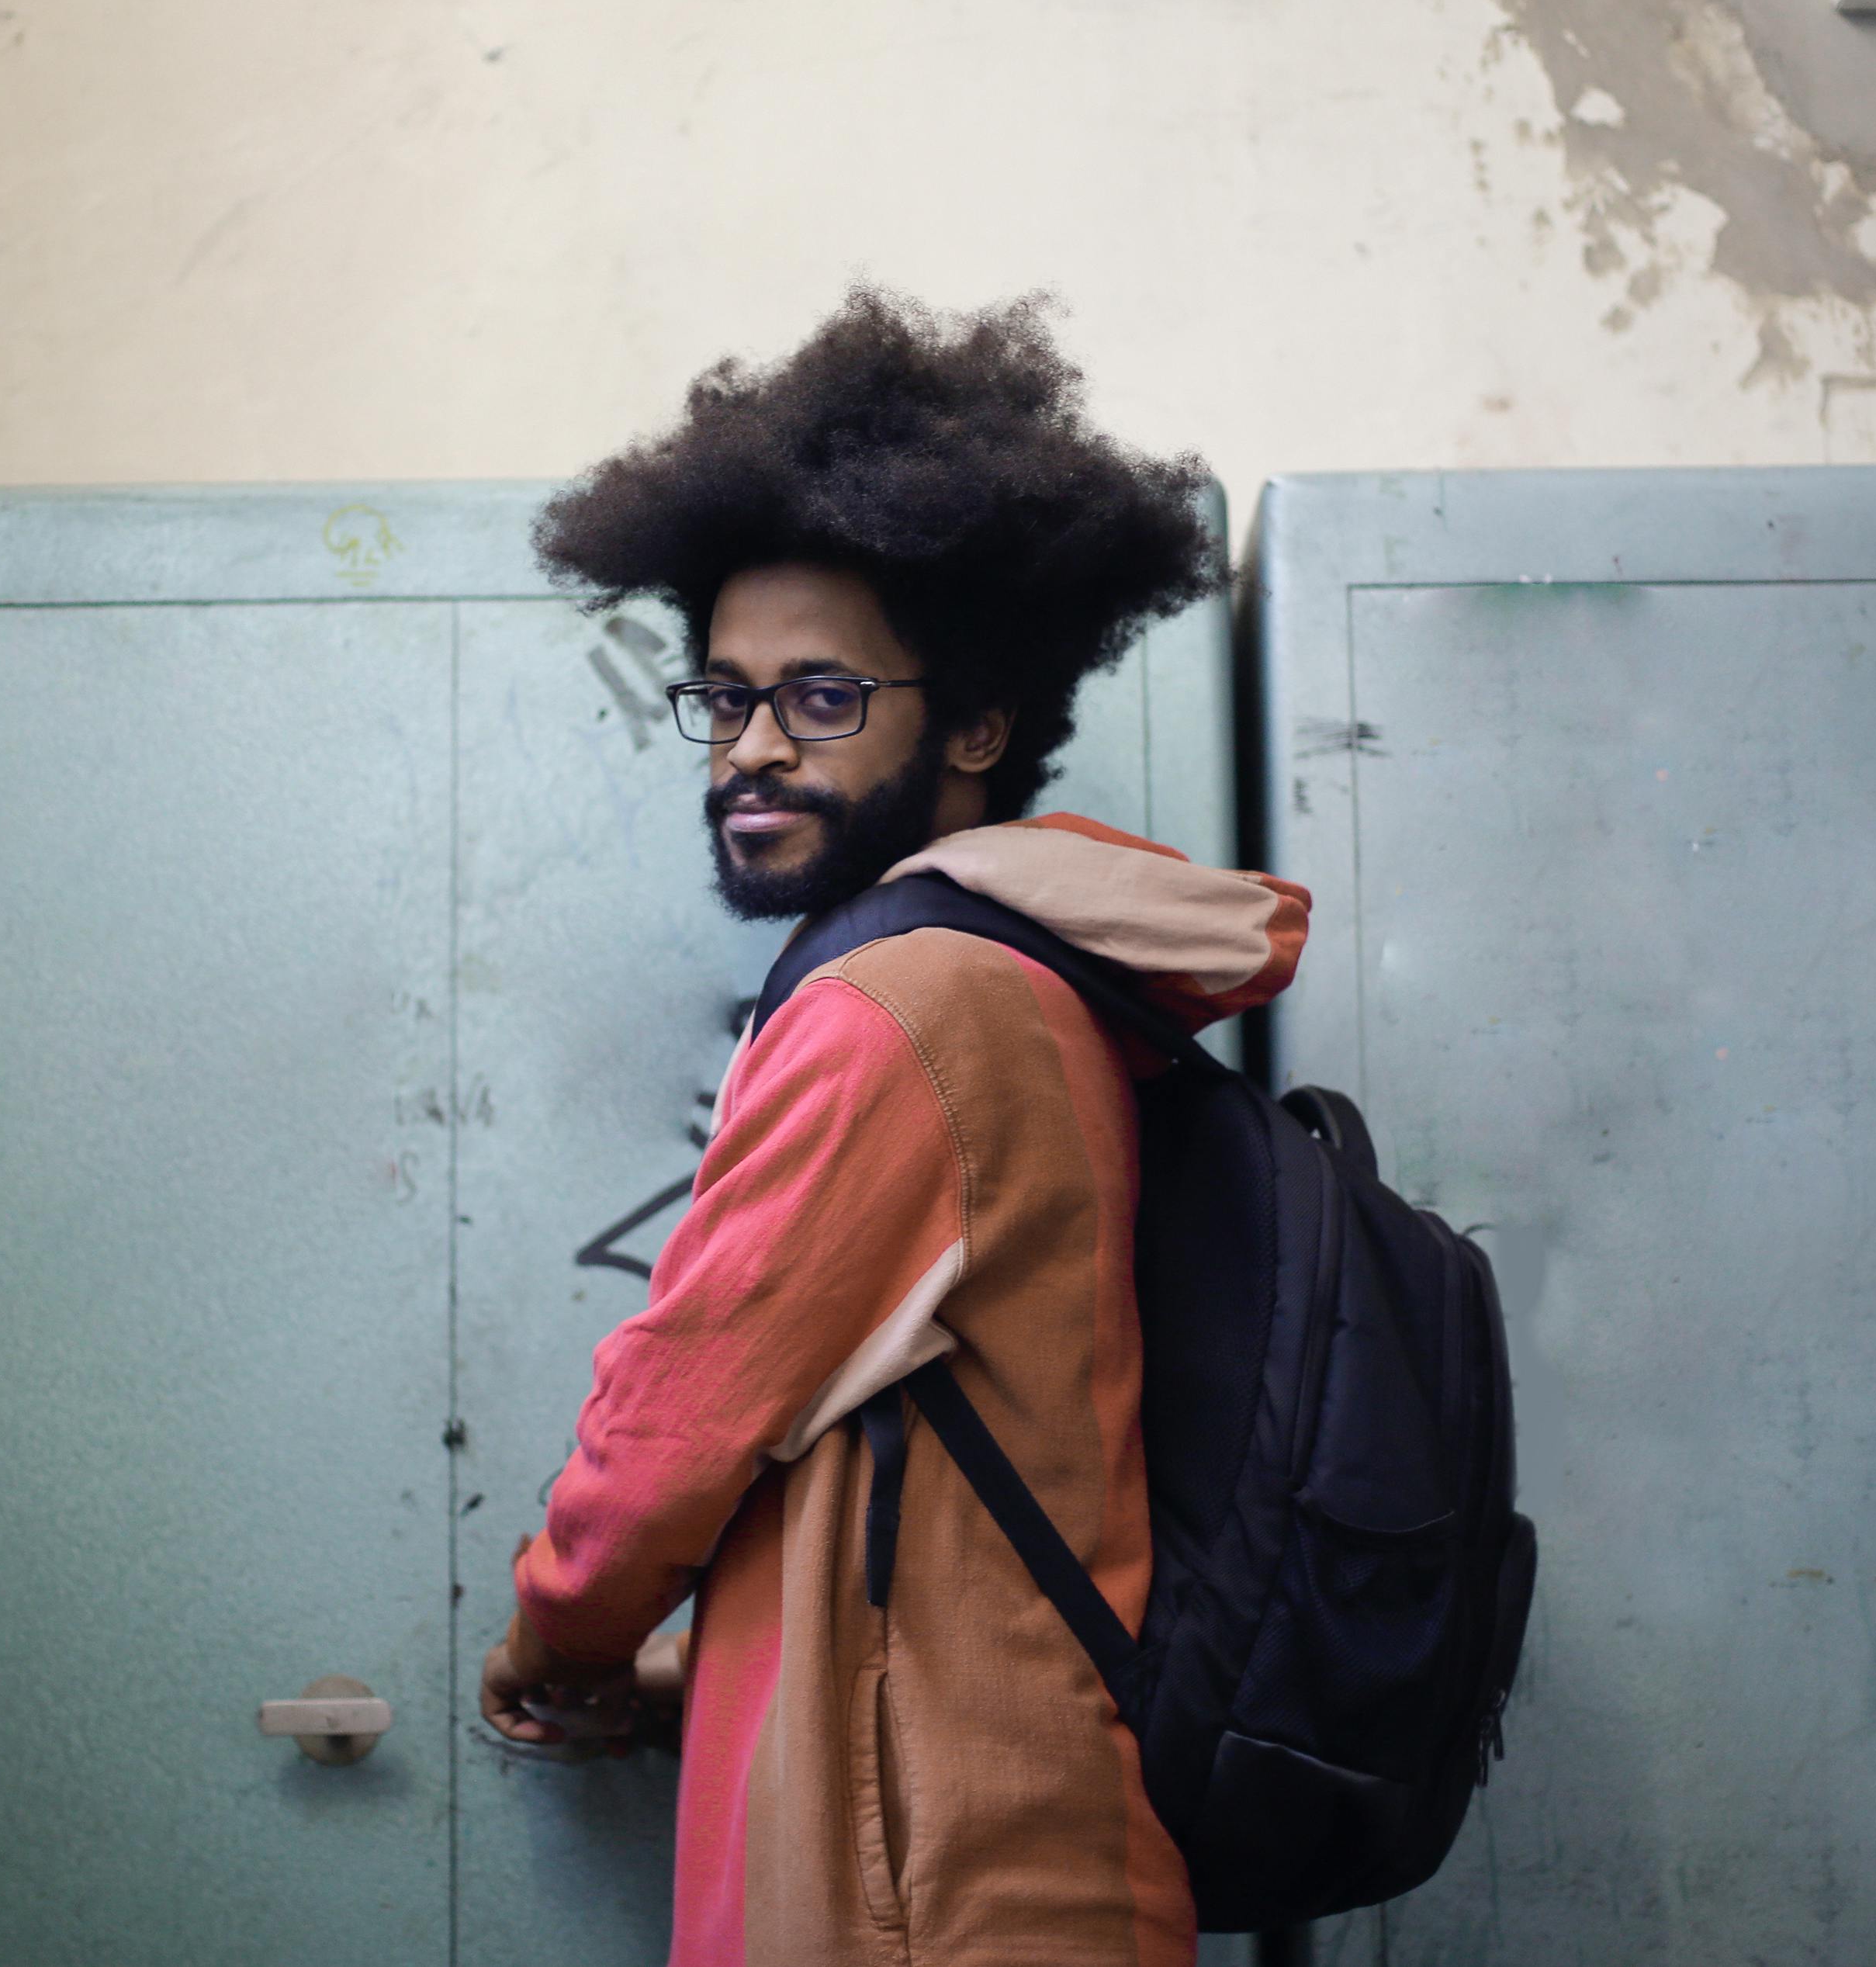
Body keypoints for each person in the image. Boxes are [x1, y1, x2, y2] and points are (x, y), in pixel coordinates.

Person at [479, 289, 1309, 1967]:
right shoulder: (1021, 984)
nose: (753, 747)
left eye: (825, 695)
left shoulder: (902, 1005)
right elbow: (902, 1497)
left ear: (978, 727)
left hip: (937, 1893)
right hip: (983, 1846)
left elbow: (671, 1426)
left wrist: (556, 1633)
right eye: (721, 700)